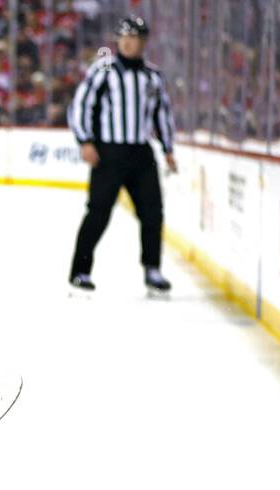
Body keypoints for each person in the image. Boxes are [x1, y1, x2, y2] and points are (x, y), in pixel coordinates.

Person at [67, 16, 177, 294]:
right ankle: (80, 271)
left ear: (144, 41)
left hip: (141, 153)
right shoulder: (103, 71)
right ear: (117, 40)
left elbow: (161, 113)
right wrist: (85, 141)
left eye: (135, 37)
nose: (129, 42)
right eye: (124, 36)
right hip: (109, 152)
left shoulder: (153, 76)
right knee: (98, 212)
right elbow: (81, 105)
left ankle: (152, 269)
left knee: (153, 213)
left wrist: (168, 148)